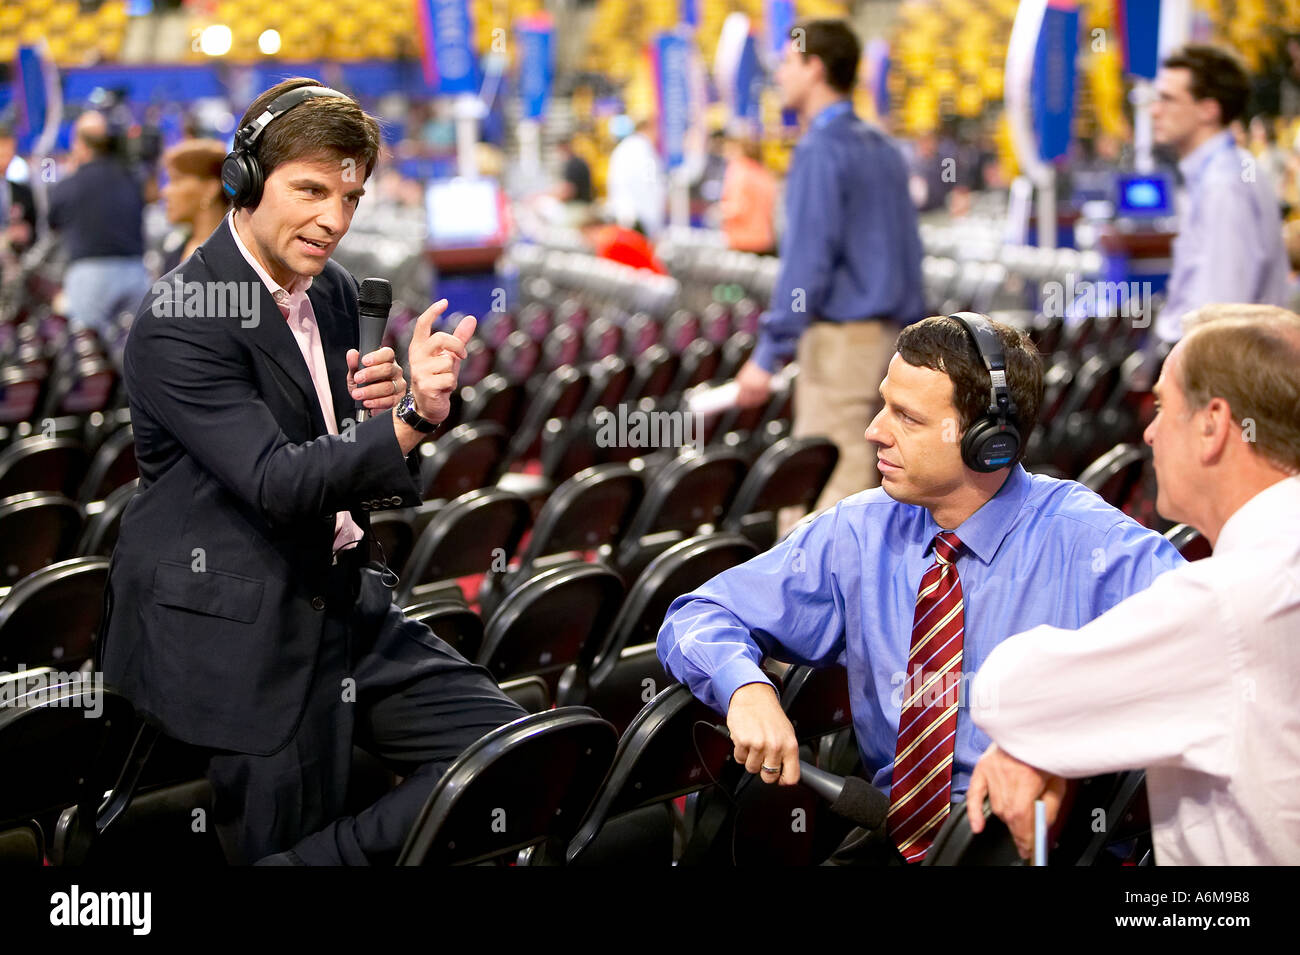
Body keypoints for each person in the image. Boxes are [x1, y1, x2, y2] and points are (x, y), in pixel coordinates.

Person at [97, 78, 525, 866]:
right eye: (312, 190)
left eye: (350, 197)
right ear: (246, 179)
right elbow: (277, 481)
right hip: (242, 633)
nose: (335, 219)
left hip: (345, 599)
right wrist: (405, 423)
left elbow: (347, 462)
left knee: (516, 755)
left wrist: (400, 408)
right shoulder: (182, 315)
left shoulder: (330, 290)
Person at [657, 314, 1184, 864]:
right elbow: (699, 614)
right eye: (884, 405)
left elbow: (1215, 664)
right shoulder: (859, 531)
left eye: (907, 417)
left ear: (989, 442)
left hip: (1038, 848)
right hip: (890, 838)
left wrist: (1062, 752)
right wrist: (745, 688)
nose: (874, 430)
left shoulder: (1095, 546)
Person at [967, 304, 1300, 866]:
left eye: (1163, 407)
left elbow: (1010, 693)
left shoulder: (1229, 603)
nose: (1148, 431)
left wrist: (1039, 741)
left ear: (1213, 426)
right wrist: (1048, 740)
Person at [732, 19, 926, 513]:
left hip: (841, 346)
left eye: (787, 62)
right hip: (892, 340)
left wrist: (769, 351)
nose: (779, 74)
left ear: (814, 68)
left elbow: (807, 263)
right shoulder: (882, 145)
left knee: (828, 498)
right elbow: (910, 252)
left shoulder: (820, 148)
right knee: (876, 487)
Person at [1151, 45, 1290, 344]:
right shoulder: (1225, 172)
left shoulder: (1224, 185)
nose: (1155, 110)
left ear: (1208, 110)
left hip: (1215, 362)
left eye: (1168, 99)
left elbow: (1220, 318)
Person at [48, 111, 151, 336]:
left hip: (89, 275)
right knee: (135, 344)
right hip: (135, 271)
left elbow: (52, 221)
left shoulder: (70, 184)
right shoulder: (131, 178)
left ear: (81, 144)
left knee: (89, 346)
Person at [156, 137, 230, 275]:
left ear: (211, 189)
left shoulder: (237, 256)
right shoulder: (173, 253)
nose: (165, 192)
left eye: (176, 180)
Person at [605, 115, 666, 238]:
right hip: (643, 214)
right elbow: (652, 181)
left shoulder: (620, 151)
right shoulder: (643, 147)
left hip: (625, 213)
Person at [718, 133, 777, 255]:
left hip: (742, 239)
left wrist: (720, 211)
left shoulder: (739, 170)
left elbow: (736, 208)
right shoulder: (763, 172)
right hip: (764, 238)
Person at [0, 121, 37, 256]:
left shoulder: (23, 193)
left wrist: (26, 233)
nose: (7, 158)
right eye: (3, 152)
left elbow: (34, 230)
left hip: (16, 262)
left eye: (10, 152)